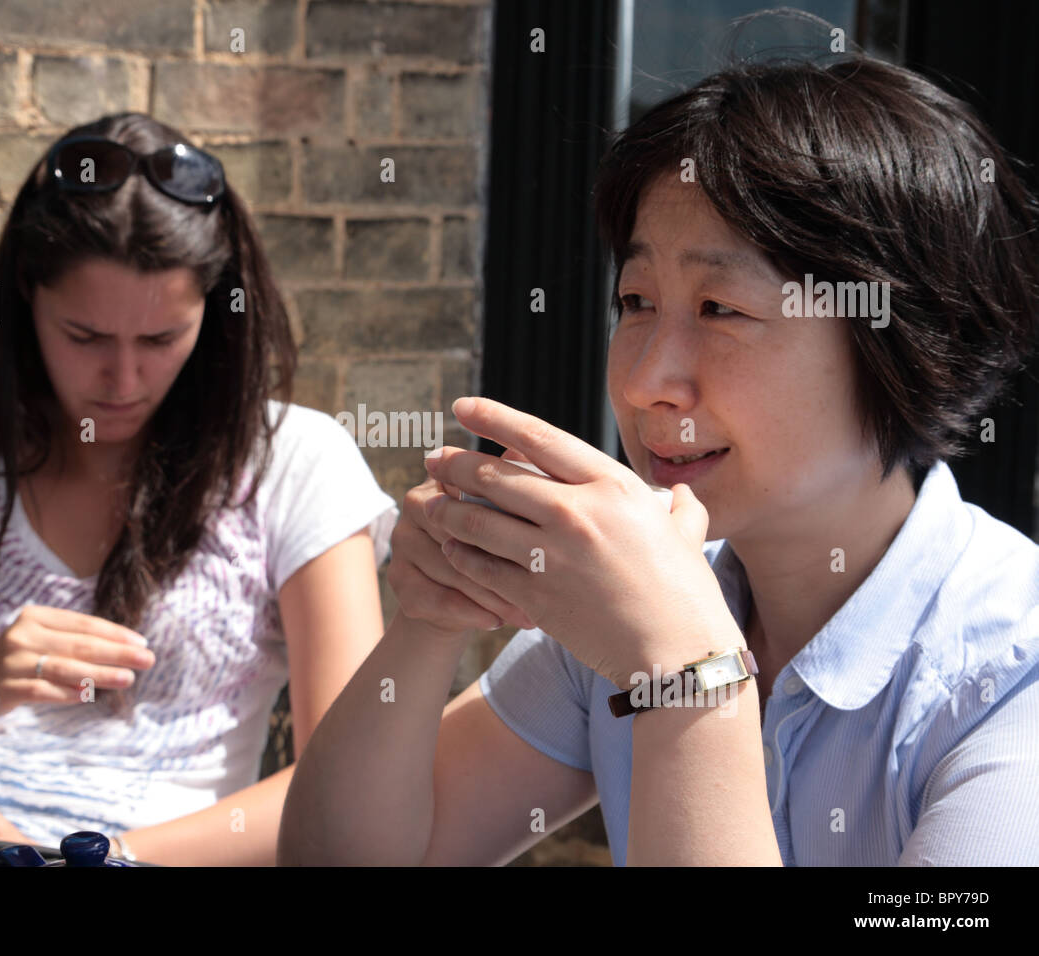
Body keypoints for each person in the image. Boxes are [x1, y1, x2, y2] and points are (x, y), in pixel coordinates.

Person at [278, 52, 1039, 865]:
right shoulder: (647, 590)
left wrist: (688, 671)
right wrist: (432, 620)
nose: (644, 385)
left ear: (908, 342)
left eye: (720, 308)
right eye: (636, 301)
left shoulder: (1010, 676)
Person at [0, 113, 398, 864]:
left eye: (160, 341)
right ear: (27, 299)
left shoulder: (297, 461)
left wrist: (92, 857)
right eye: (85, 337)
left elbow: (350, 789)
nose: (123, 382)